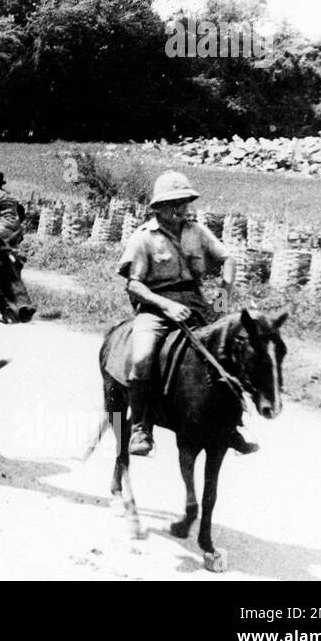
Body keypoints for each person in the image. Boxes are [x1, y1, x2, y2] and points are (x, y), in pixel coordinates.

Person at [116, 170, 250, 457]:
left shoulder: (197, 232)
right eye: (174, 203)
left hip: (197, 303)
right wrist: (166, 306)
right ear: (159, 207)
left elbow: (227, 258)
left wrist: (223, 297)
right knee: (141, 357)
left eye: (185, 202)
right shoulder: (143, 238)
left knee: (232, 348)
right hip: (155, 308)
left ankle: (231, 424)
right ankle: (141, 425)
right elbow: (134, 285)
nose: (181, 209)